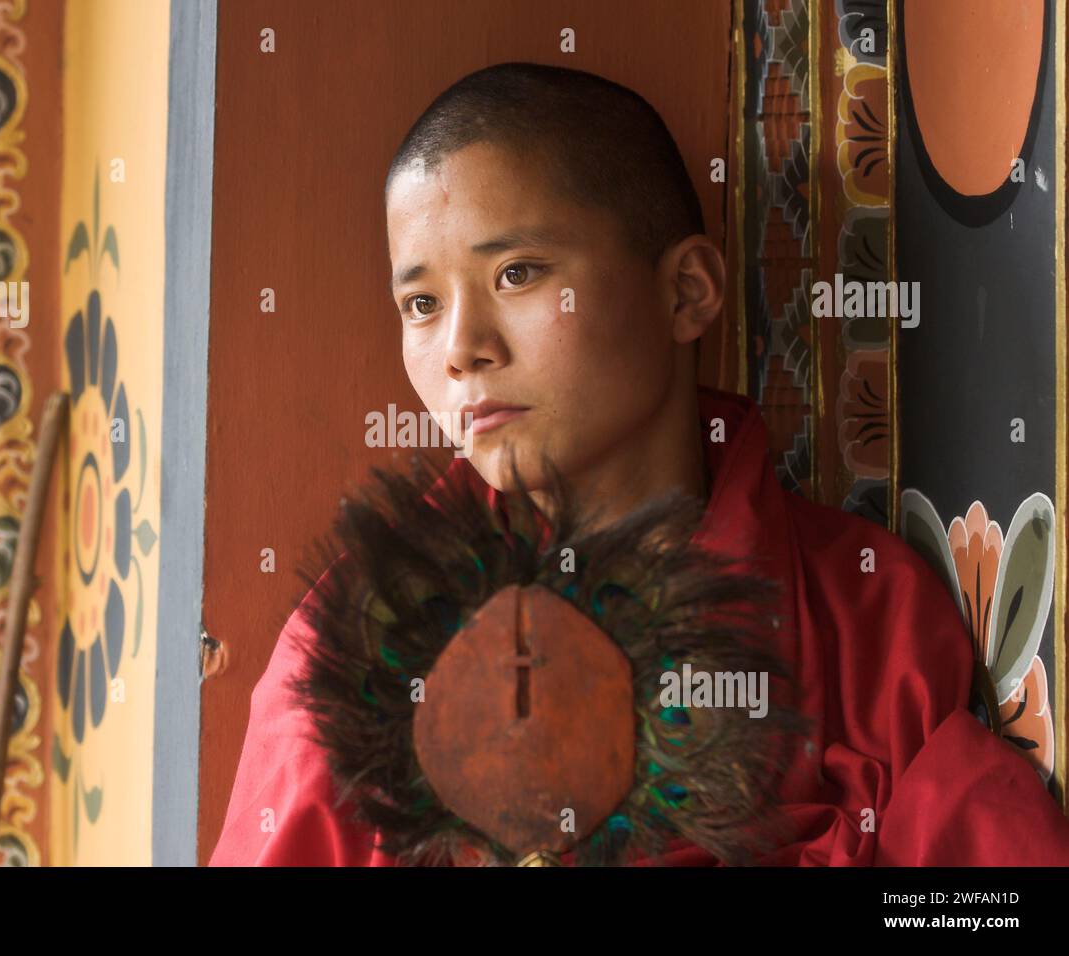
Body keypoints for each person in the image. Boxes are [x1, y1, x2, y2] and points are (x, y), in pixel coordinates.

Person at [208, 62, 1069, 866]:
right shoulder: (370, 639)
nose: (461, 350)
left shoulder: (867, 614)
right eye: (422, 304)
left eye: (517, 273)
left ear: (686, 292)